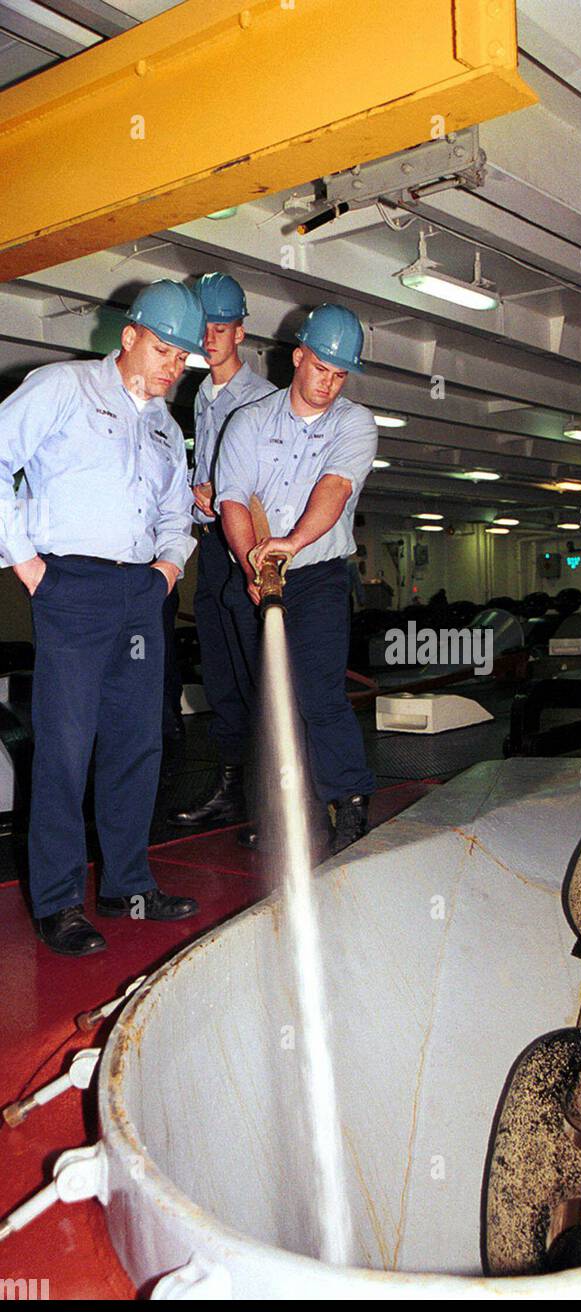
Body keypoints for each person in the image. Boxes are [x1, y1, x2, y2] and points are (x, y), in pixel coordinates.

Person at [0, 281, 204, 957]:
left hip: (140, 594)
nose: (174, 365)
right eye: (163, 348)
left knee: (136, 743)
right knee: (64, 748)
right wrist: (27, 562)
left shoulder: (164, 428)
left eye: (184, 356)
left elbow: (177, 516)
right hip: (72, 586)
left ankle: (126, 884)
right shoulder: (62, 387)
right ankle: (57, 901)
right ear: (129, 337)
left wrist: (167, 571)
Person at [215, 304, 377, 854]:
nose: (328, 384)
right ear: (297, 356)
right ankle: (285, 807)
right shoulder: (249, 422)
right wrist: (251, 563)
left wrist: (290, 545)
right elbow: (232, 500)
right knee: (269, 700)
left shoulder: (355, 423)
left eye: (339, 375)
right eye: (319, 369)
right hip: (255, 574)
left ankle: (351, 805)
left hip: (318, 576)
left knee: (319, 695)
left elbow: (334, 488)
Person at [169, 273, 274, 830]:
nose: (208, 338)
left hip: (250, 549)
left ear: (240, 332)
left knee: (259, 671)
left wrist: (229, 494)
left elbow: (277, 485)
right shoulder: (202, 396)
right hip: (212, 551)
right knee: (221, 674)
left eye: (219, 328)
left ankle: (272, 794)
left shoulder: (261, 400)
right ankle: (233, 785)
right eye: (202, 329)